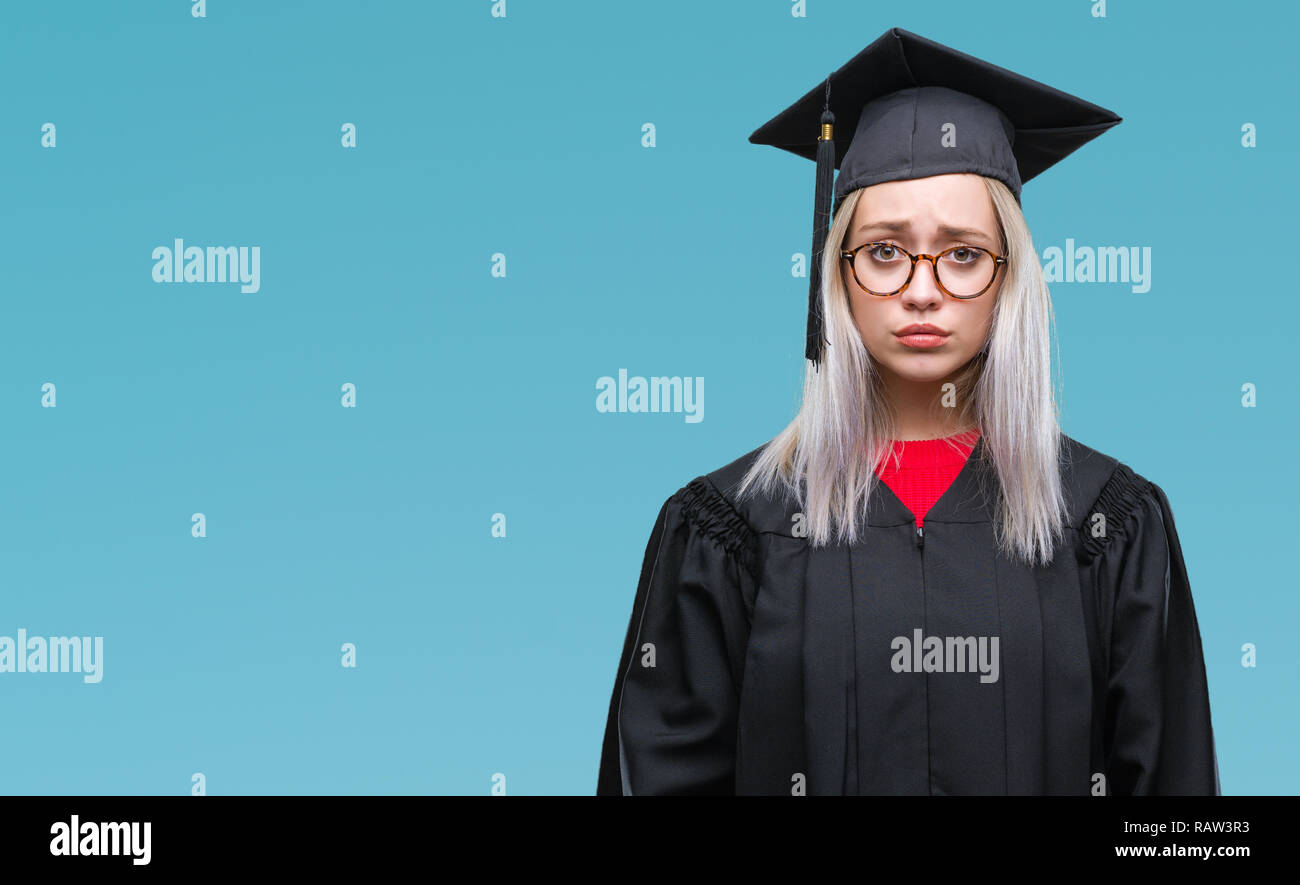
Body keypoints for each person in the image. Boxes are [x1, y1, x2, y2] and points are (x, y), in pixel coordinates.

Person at [596, 27, 1220, 796]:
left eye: (962, 253)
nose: (922, 289)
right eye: (886, 250)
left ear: (1008, 278)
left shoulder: (1107, 527)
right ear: (838, 273)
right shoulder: (731, 533)